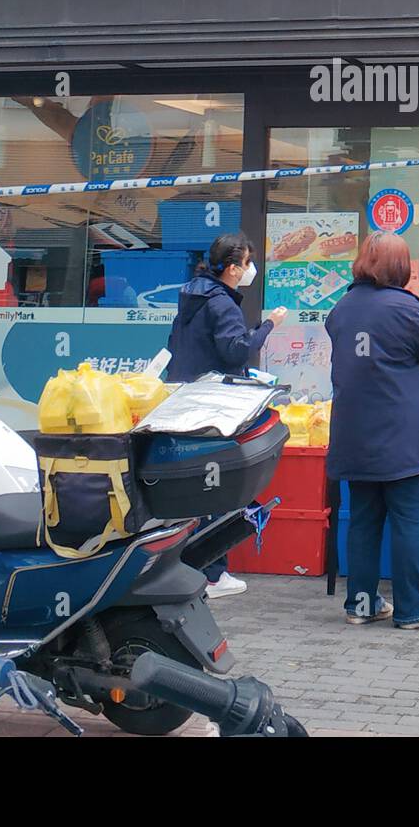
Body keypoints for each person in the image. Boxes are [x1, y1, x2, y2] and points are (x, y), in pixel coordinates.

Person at [325, 231, 419, 631]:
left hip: (354, 433)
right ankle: (412, 609)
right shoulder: (405, 308)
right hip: (402, 437)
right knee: (409, 522)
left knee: (363, 521)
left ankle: (361, 605)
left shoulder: (342, 308)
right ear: (400, 269)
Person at [166, 231, 287, 599]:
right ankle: (214, 573)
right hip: (213, 405)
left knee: (193, 487)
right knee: (219, 486)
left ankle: (189, 567)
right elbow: (237, 351)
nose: (251, 270)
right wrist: (269, 325)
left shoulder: (193, 293)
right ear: (233, 269)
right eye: (248, 263)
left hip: (184, 398)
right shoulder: (220, 303)